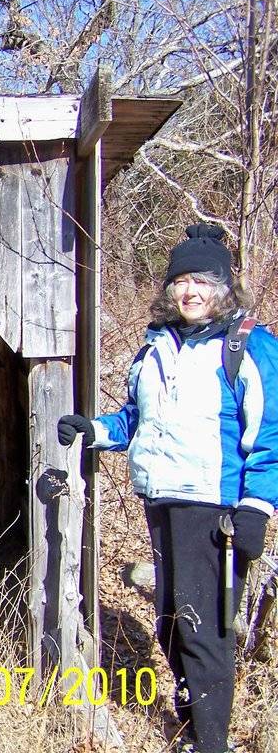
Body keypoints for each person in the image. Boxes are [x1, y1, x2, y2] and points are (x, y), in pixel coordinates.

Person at [57, 223, 275, 753]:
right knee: (172, 622)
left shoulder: (250, 344)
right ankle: (187, 724)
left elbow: (270, 430)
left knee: (205, 631)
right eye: (181, 281)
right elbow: (138, 419)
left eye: (202, 281)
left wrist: (256, 508)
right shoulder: (155, 347)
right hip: (162, 500)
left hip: (213, 506)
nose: (190, 292)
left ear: (224, 286)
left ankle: (210, 743)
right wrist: (95, 431)